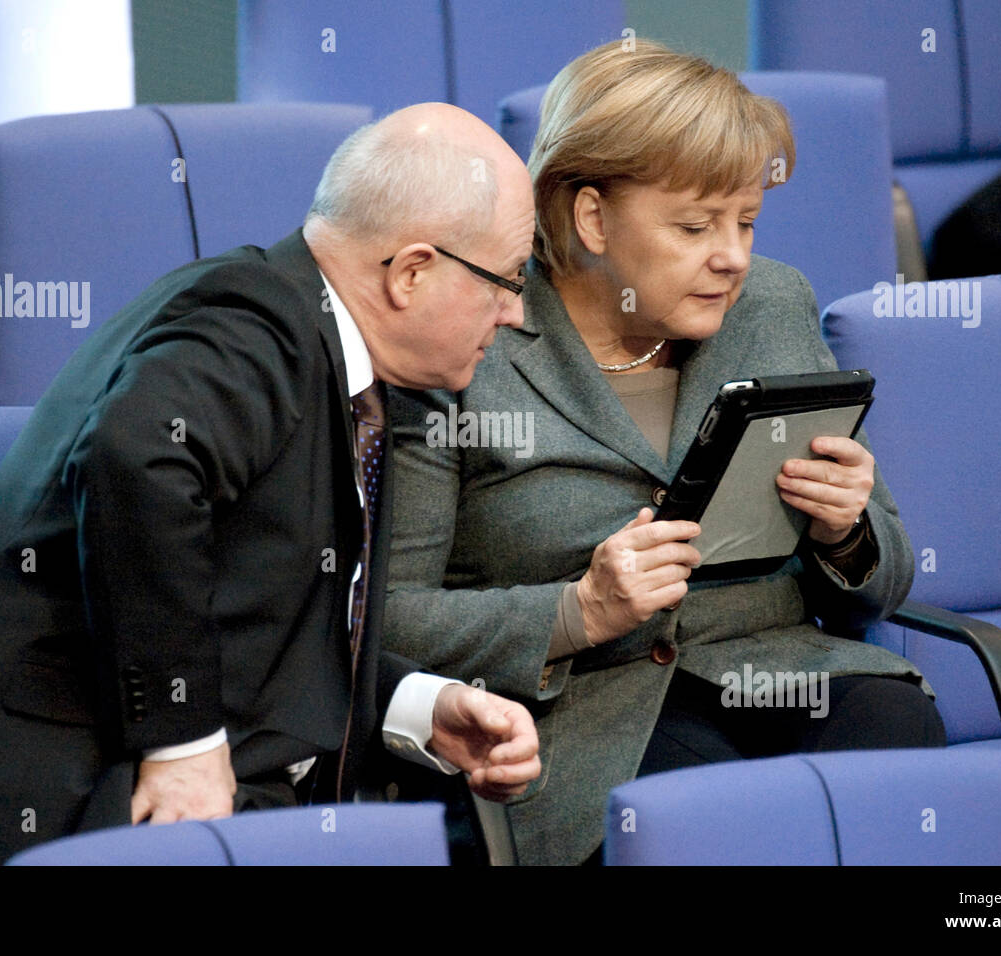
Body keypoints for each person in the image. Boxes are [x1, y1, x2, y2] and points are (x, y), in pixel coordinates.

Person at [0, 102, 540, 865]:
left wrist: (420, 707)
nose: (513, 313)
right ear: (412, 272)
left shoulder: (339, 361)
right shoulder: (255, 323)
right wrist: (180, 740)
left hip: (241, 807)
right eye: (508, 280)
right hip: (75, 806)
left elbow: (263, 625)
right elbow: (135, 457)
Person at [383, 41, 946, 866]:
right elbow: (388, 616)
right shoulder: (470, 336)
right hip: (583, 714)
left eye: (746, 221)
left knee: (898, 724)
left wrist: (846, 532)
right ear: (592, 219)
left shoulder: (772, 305)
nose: (734, 256)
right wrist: (577, 611)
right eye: (695, 225)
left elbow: (886, 581)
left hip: (776, 669)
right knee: (715, 820)